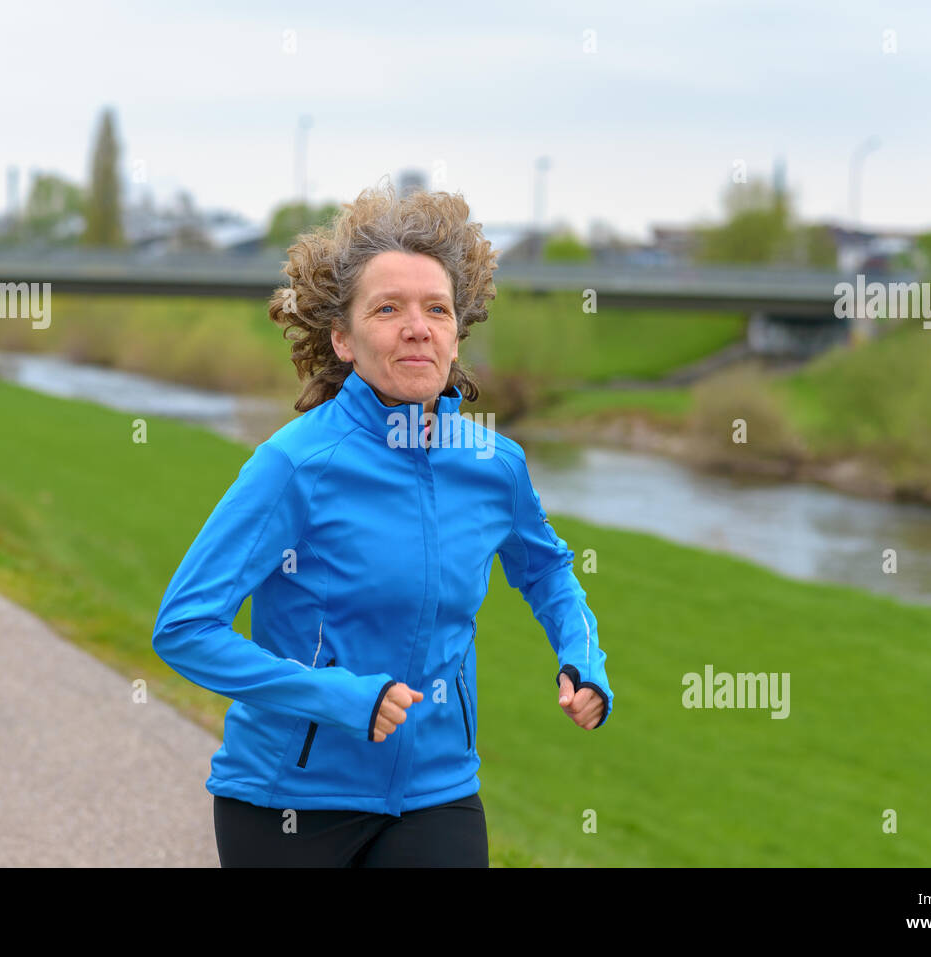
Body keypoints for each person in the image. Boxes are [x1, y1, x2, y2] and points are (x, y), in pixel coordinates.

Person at [151, 181, 614, 867]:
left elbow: (547, 569)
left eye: (436, 308)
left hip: (437, 791)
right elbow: (184, 627)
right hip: (290, 800)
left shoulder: (494, 464)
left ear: (457, 332)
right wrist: (337, 696)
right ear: (343, 338)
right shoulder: (295, 464)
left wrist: (582, 656)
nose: (417, 326)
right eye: (388, 308)